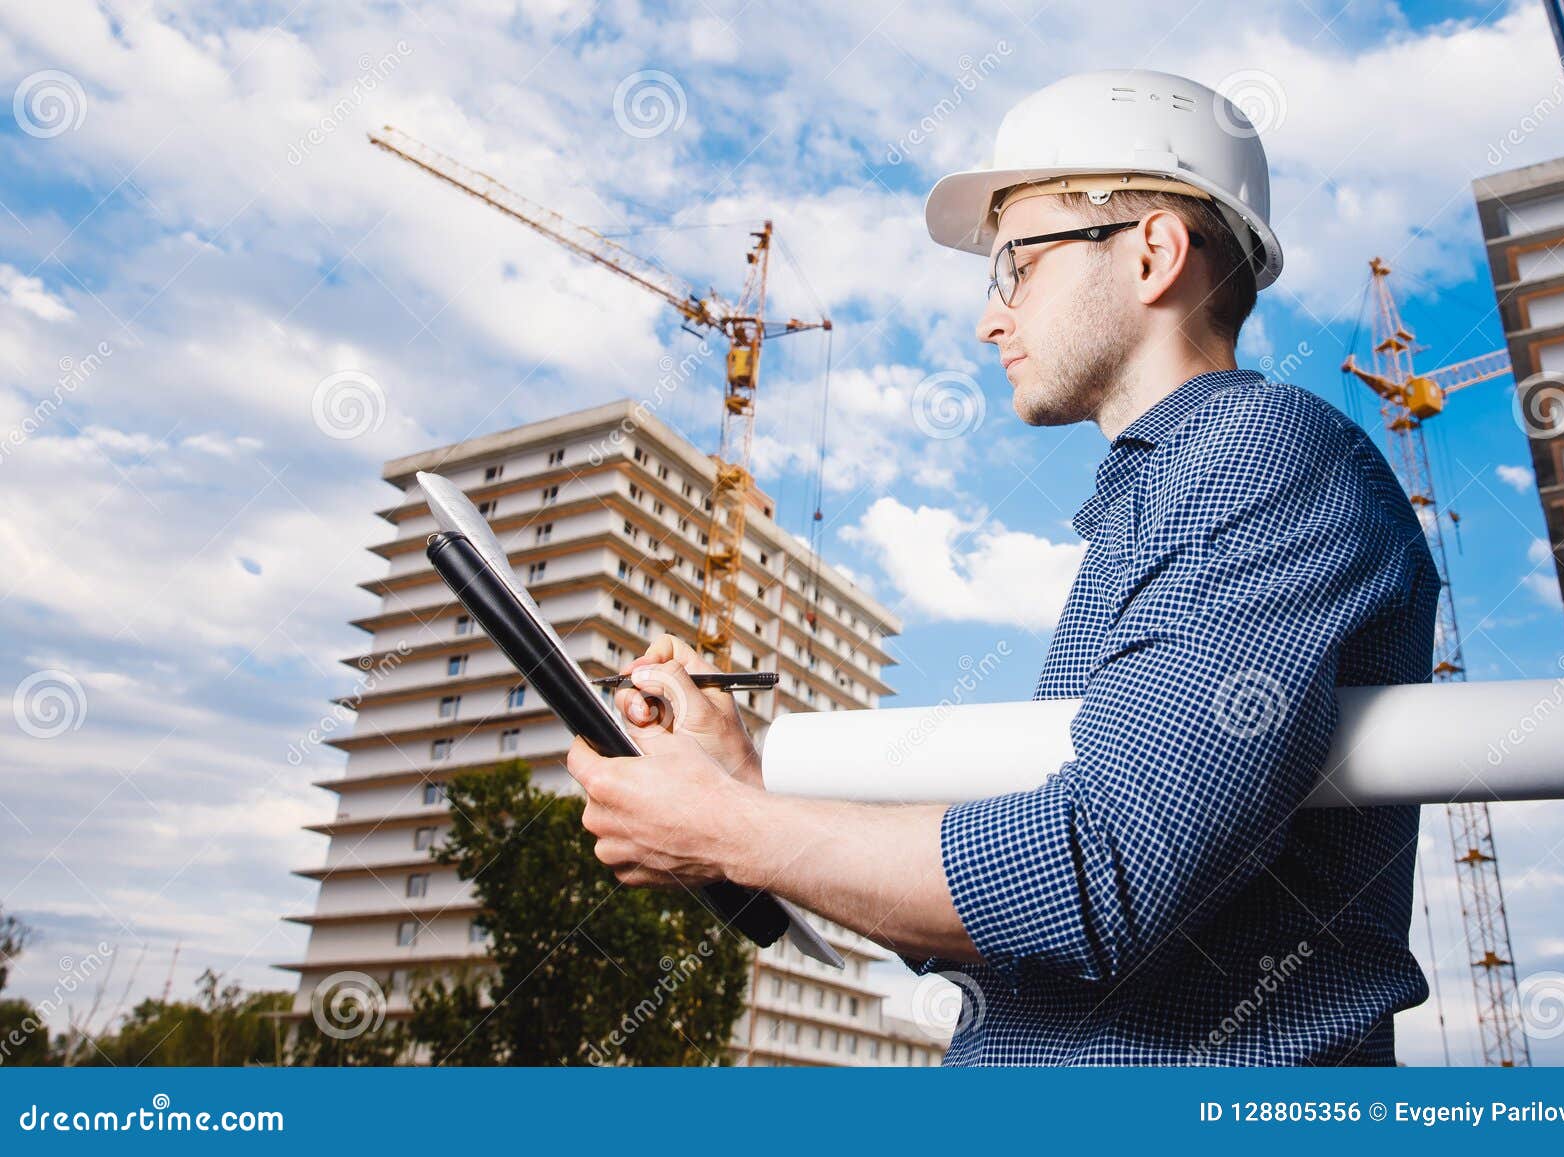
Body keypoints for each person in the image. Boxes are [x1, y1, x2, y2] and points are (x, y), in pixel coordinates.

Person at [564, 68, 1440, 1065]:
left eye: (1016, 264)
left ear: (1152, 252)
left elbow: (1100, 871)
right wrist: (747, 787)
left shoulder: (1257, 453)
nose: (990, 318)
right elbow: (1026, 934)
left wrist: (727, 828)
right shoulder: (1158, 499)